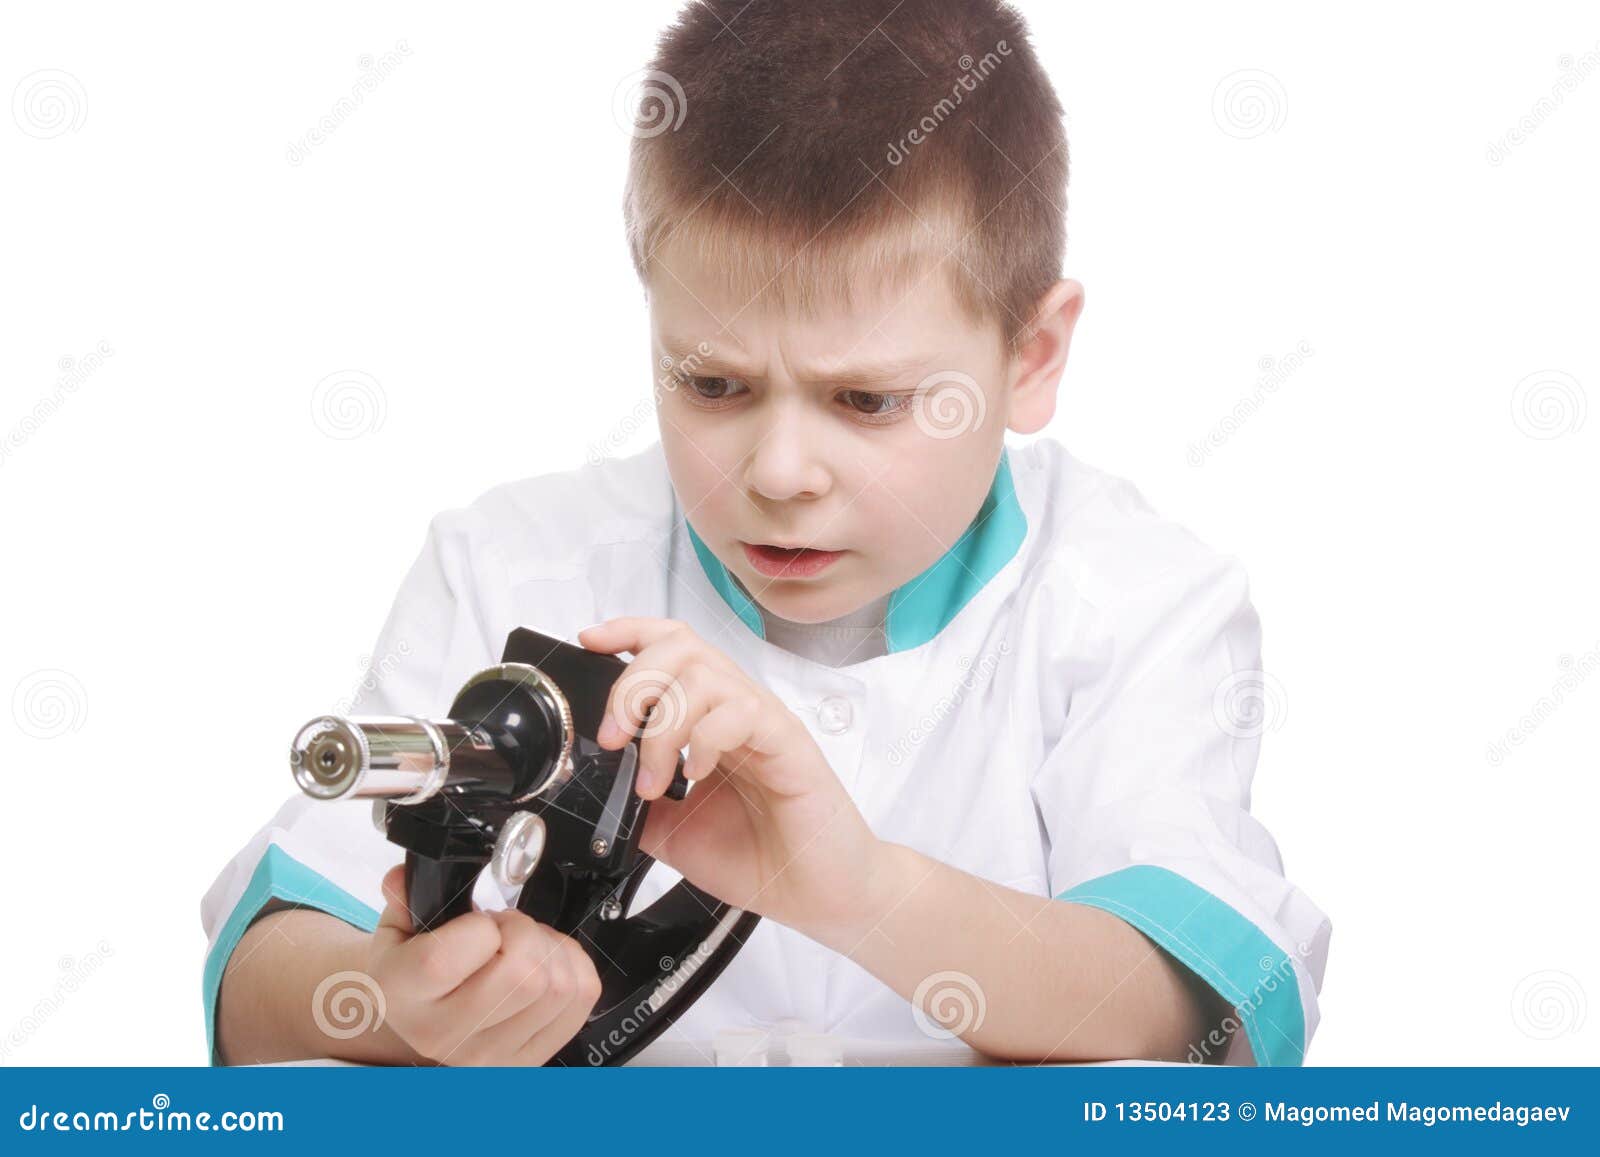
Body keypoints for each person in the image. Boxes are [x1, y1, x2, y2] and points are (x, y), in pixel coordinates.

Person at [204, 0, 1330, 1067]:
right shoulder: (509, 561)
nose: (779, 473)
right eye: (713, 382)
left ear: (1030, 358)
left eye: (868, 401)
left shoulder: (1140, 601)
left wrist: (857, 888)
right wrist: (394, 1002)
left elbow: (1182, 1009)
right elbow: (260, 979)